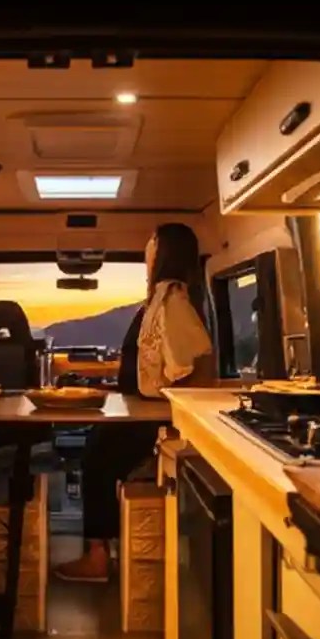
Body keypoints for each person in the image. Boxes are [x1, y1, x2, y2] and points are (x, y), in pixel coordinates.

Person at [54, 222, 215, 583]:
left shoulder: (173, 302)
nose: (146, 250)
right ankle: (99, 549)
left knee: (96, 459)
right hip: (140, 409)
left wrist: (173, 410)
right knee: (96, 444)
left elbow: (194, 364)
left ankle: (97, 557)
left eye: (151, 243)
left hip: (156, 417)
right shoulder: (161, 300)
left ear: (164, 252)